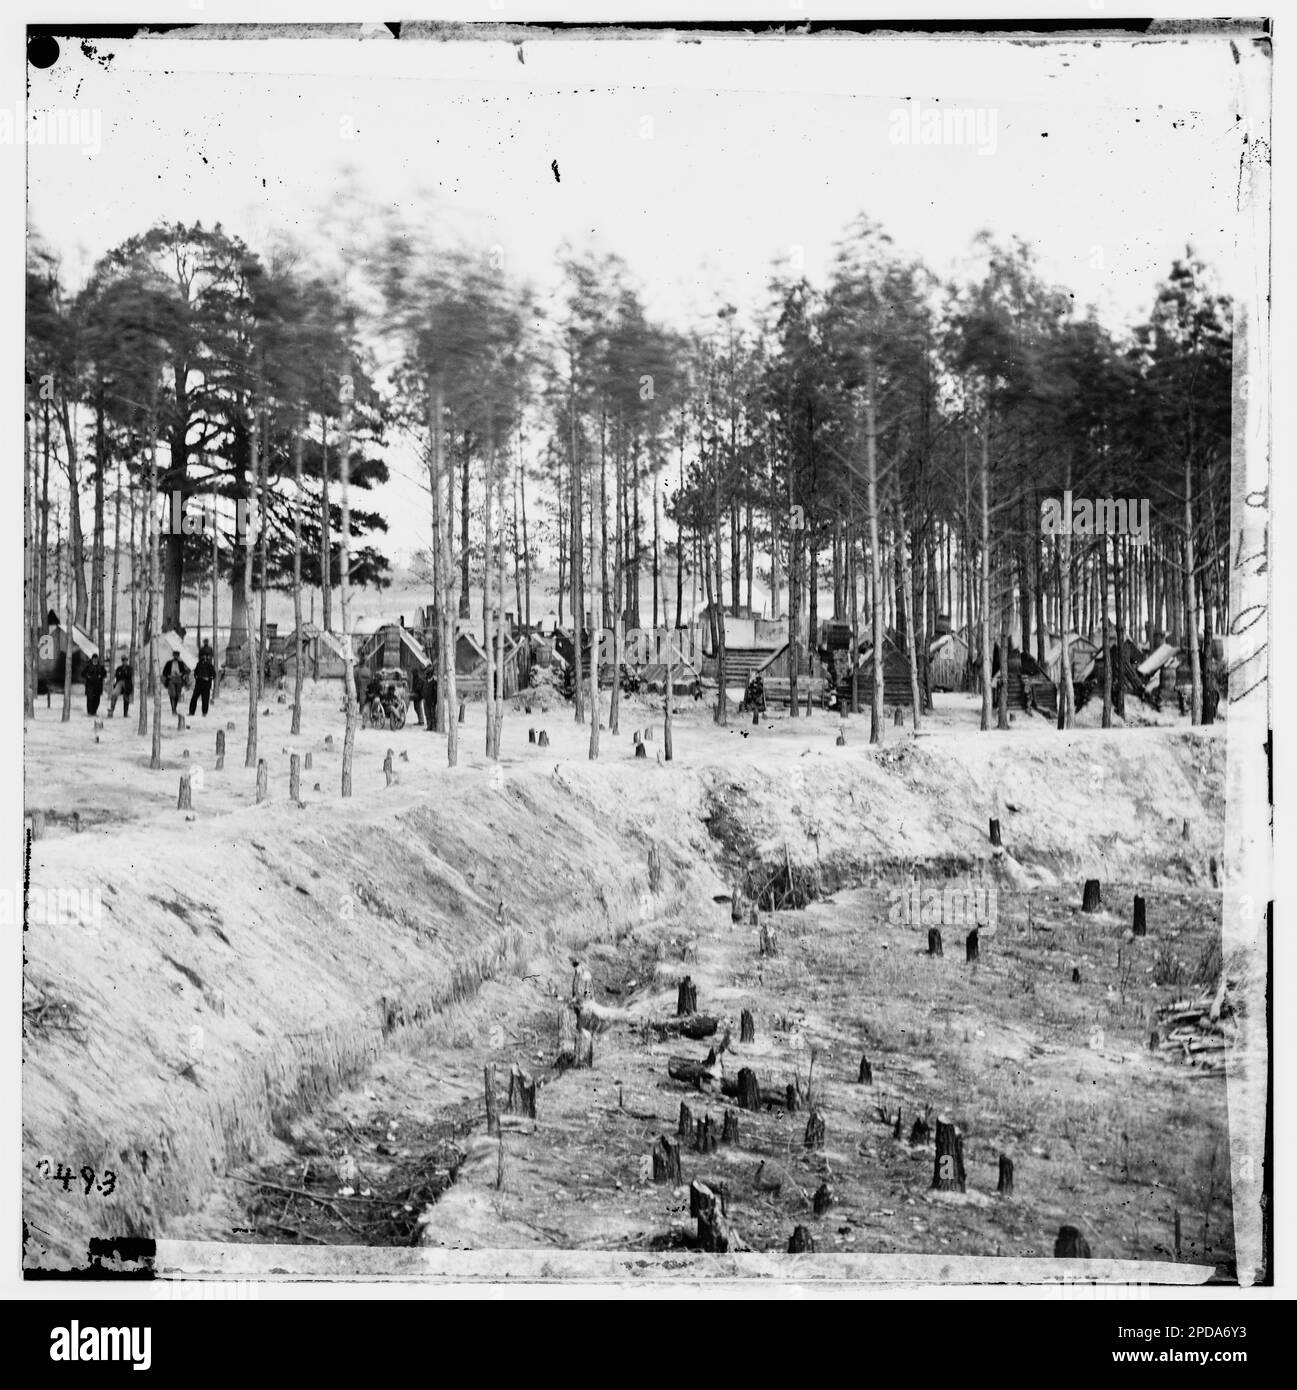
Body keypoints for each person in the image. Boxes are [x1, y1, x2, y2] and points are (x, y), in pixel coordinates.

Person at [190, 642, 216, 717]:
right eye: (202, 656)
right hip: (199, 684)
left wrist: (208, 679)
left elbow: (213, 675)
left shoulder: (210, 665)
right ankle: (191, 712)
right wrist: (197, 677)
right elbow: (195, 672)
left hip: (206, 684)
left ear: (207, 657)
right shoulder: (199, 664)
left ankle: (204, 713)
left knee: (205, 699)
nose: (203, 657)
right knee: (194, 698)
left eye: (205, 656)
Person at [108, 654, 133, 719]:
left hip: (127, 684)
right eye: (123, 660)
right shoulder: (119, 668)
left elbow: (129, 675)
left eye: (125, 660)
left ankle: (125, 713)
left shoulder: (130, 668)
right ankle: (111, 710)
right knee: (114, 695)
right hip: (119, 683)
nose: (124, 662)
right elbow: (117, 676)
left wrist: (124, 673)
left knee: (126, 698)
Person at [83, 651, 107, 717]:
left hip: (98, 685)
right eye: (94, 658)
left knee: (97, 699)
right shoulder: (88, 666)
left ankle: (94, 711)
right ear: (92, 659)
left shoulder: (100, 666)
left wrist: (101, 676)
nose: (95, 660)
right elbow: (83, 673)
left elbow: (104, 674)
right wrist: (87, 676)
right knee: (90, 698)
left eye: (96, 658)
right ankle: (89, 712)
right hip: (90, 685)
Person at [410, 661, 426, 728]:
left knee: (418, 707)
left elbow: (418, 688)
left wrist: (413, 692)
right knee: (416, 707)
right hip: (416, 695)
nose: (412, 674)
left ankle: (421, 721)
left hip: (418, 695)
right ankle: (420, 720)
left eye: (413, 673)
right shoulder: (415, 678)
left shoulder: (419, 679)